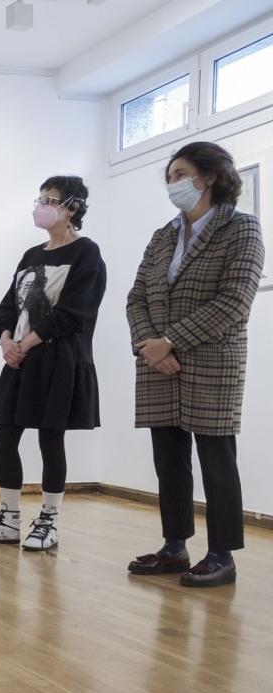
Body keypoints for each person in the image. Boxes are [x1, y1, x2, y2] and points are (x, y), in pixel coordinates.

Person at [125, 142, 263, 587]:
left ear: (209, 177)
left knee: (216, 460)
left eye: (180, 174)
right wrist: (149, 346)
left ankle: (222, 554)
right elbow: (137, 297)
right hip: (157, 364)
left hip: (210, 362)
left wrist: (170, 342)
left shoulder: (241, 229)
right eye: (169, 177)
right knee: (169, 461)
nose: (173, 184)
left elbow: (234, 301)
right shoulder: (163, 235)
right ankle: (173, 547)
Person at [0, 176, 106, 551]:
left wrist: (26, 342)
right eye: (40, 198)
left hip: (59, 360)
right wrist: (7, 339)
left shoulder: (86, 253)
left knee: (50, 438)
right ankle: (9, 520)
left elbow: (74, 313)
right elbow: (9, 305)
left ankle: (48, 521)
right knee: (3, 436)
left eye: (51, 199)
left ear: (72, 207)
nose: (42, 205)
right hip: (20, 361)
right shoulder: (31, 255)